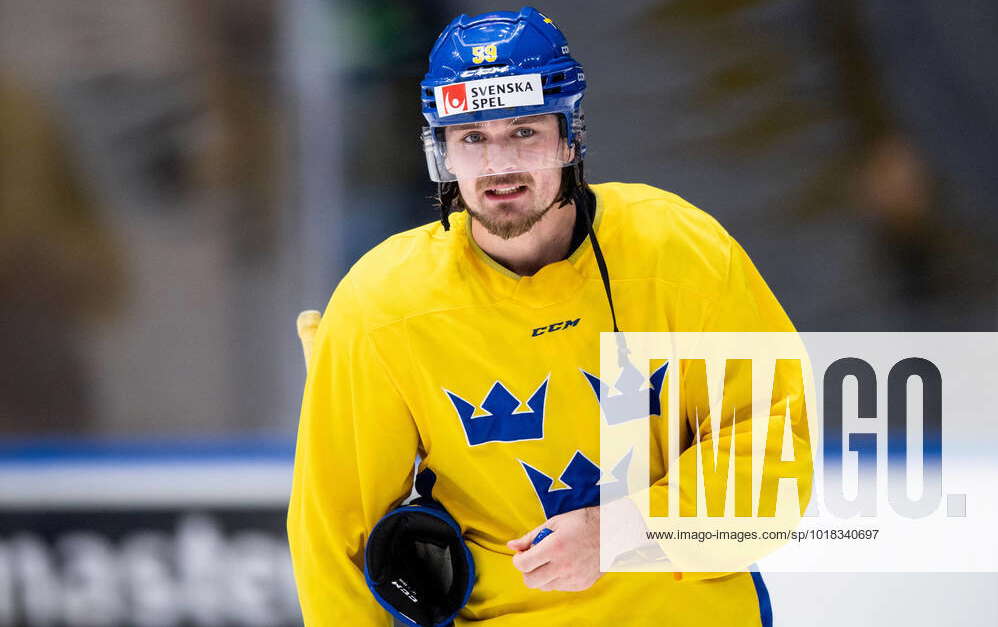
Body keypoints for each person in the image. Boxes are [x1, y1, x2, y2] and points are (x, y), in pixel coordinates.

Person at [288, 7, 810, 625]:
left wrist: (621, 534)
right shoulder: (382, 304)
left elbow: (775, 460)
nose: (497, 165)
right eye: (472, 138)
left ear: (570, 134)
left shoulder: (680, 250)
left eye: (523, 132)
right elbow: (334, 536)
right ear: (442, 151)